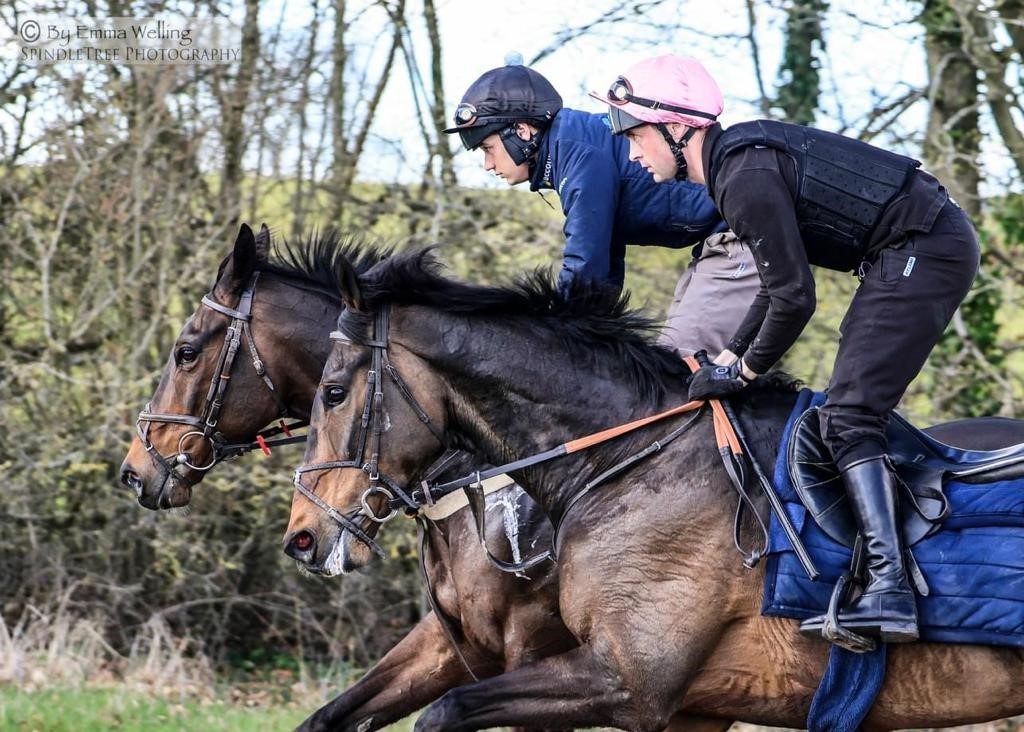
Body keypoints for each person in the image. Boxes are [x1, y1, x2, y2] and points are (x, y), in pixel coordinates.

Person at [597, 54, 980, 643]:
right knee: (845, 412)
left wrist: (744, 370)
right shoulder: (736, 169)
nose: (630, 151)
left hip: (923, 248)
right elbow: (781, 288)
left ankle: (889, 588)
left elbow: (795, 297)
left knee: (850, 415)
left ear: (678, 127)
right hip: (901, 255)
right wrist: (731, 361)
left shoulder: (742, 177)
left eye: (634, 133)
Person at [442, 59, 760, 358]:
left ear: (522, 132)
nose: (487, 164)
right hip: (717, 242)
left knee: (683, 366)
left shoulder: (574, 150)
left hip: (742, 235)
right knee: (669, 359)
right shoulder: (569, 145)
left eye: (487, 148)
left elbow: (585, 260)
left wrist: (545, 338)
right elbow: (603, 274)